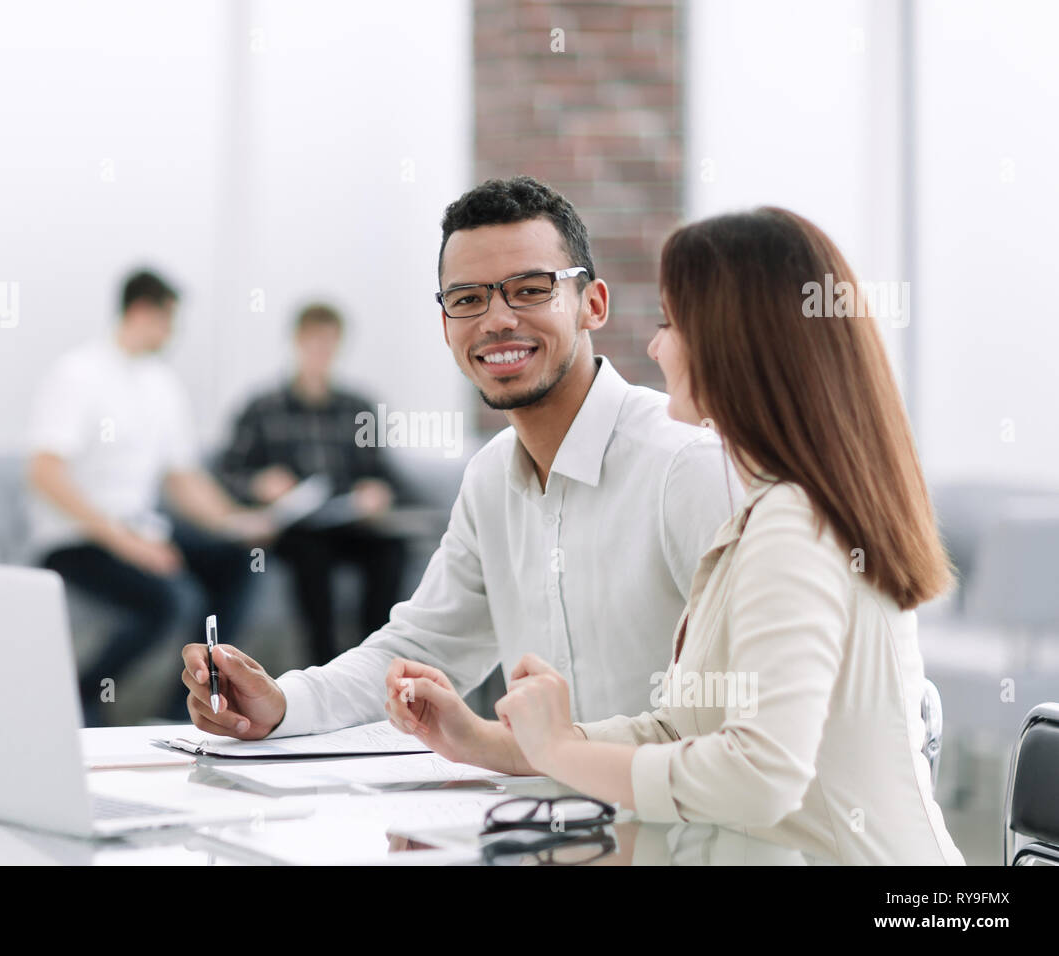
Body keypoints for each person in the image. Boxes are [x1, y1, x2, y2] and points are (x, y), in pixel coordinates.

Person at [383, 208, 964, 865]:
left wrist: (564, 754)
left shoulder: (795, 525)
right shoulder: (769, 512)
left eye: (670, 323)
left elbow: (760, 778)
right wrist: (493, 743)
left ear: (733, 345)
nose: (656, 348)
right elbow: (680, 730)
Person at [180, 176, 738, 740]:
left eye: (530, 289)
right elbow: (418, 650)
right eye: (468, 299)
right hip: (538, 816)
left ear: (592, 304)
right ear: (447, 325)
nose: (496, 320)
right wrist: (278, 704)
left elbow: (757, 718)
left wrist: (500, 749)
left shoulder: (685, 466)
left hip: (678, 821)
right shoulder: (492, 479)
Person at [27, 269, 273, 726]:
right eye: (169, 321)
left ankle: (180, 713)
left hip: (143, 528)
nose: (173, 334)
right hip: (79, 540)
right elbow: (45, 472)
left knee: (237, 562)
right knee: (175, 598)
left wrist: (237, 521)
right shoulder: (77, 374)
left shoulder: (160, 384)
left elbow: (182, 477)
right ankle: (83, 694)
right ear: (142, 311)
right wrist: (129, 544)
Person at [217, 303, 409, 665]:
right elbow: (229, 472)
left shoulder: (358, 407)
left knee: (390, 548)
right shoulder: (262, 407)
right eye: (313, 342)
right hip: (297, 529)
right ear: (296, 342)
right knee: (310, 554)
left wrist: (376, 492)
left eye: (328, 343)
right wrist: (260, 484)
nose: (321, 352)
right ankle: (323, 663)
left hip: (349, 521)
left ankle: (375, 658)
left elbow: (385, 475)